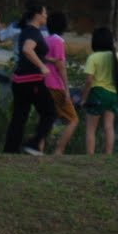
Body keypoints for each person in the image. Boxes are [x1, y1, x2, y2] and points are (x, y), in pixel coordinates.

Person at [2, 1, 54, 155]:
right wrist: (42, 66)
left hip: (19, 80)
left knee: (19, 116)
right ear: (37, 15)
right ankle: (34, 144)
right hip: (32, 80)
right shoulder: (33, 31)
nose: (46, 16)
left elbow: (31, 52)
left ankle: (10, 150)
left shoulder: (26, 30)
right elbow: (27, 50)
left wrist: (48, 60)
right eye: (45, 13)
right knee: (50, 112)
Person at [80, 26, 118, 156]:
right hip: (113, 95)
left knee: (91, 128)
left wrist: (84, 98)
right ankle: (108, 155)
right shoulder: (116, 55)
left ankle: (90, 156)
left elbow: (89, 81)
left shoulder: (93, 57)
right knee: (109, 126)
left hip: (97, 93)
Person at [45, 11, 80, 155]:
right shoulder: (59, 41)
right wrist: (67, 89)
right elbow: (61, 66)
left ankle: (38, 146)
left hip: (44, 83)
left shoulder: (46, 40)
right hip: (56, 85)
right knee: (73, 120)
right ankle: (59, 149)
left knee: (47, 118)